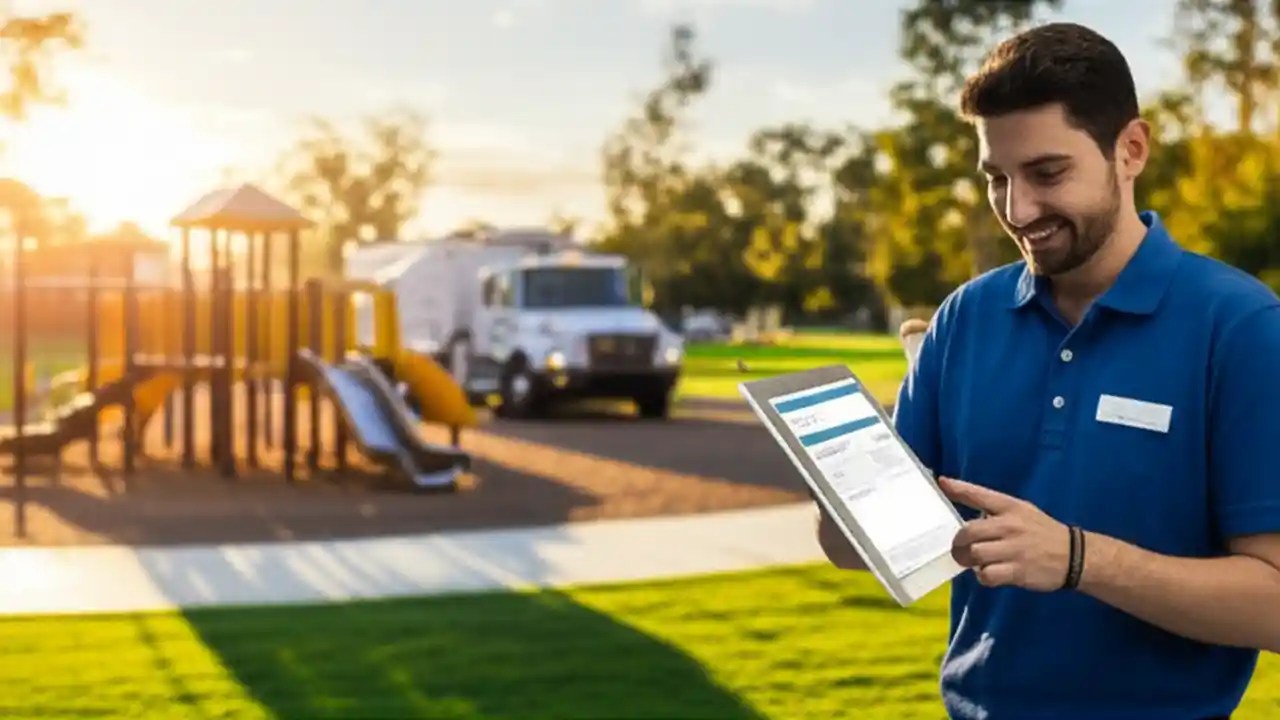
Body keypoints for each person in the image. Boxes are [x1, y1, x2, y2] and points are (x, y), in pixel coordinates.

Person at [816, 21, 1280, 719]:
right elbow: (865, 550)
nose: (1018, 210)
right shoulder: (965, 318)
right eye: (996, 179)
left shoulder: (1241, 327)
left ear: (1131, 150)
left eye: (1046, 173)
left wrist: (1076, 559)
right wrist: (842, 471)